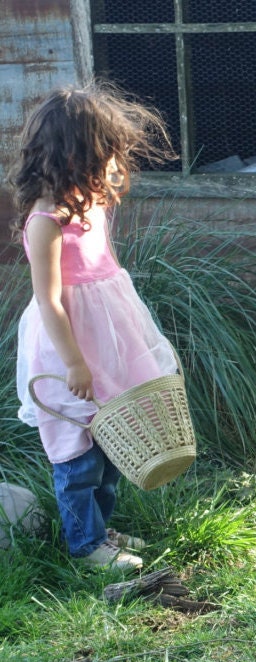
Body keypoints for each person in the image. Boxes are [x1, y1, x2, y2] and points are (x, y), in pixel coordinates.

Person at [9, 81, 179, 571]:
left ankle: (98, 530)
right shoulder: (47, 220)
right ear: (74, 153)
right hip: (67, 346)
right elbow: (50, 300)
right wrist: (74, 363)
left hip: (108, 337)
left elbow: (104, 276)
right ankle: (84, 546)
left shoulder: (92, 203)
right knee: (76, 450)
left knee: (108, 441)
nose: (113, 162)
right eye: (104, 151)